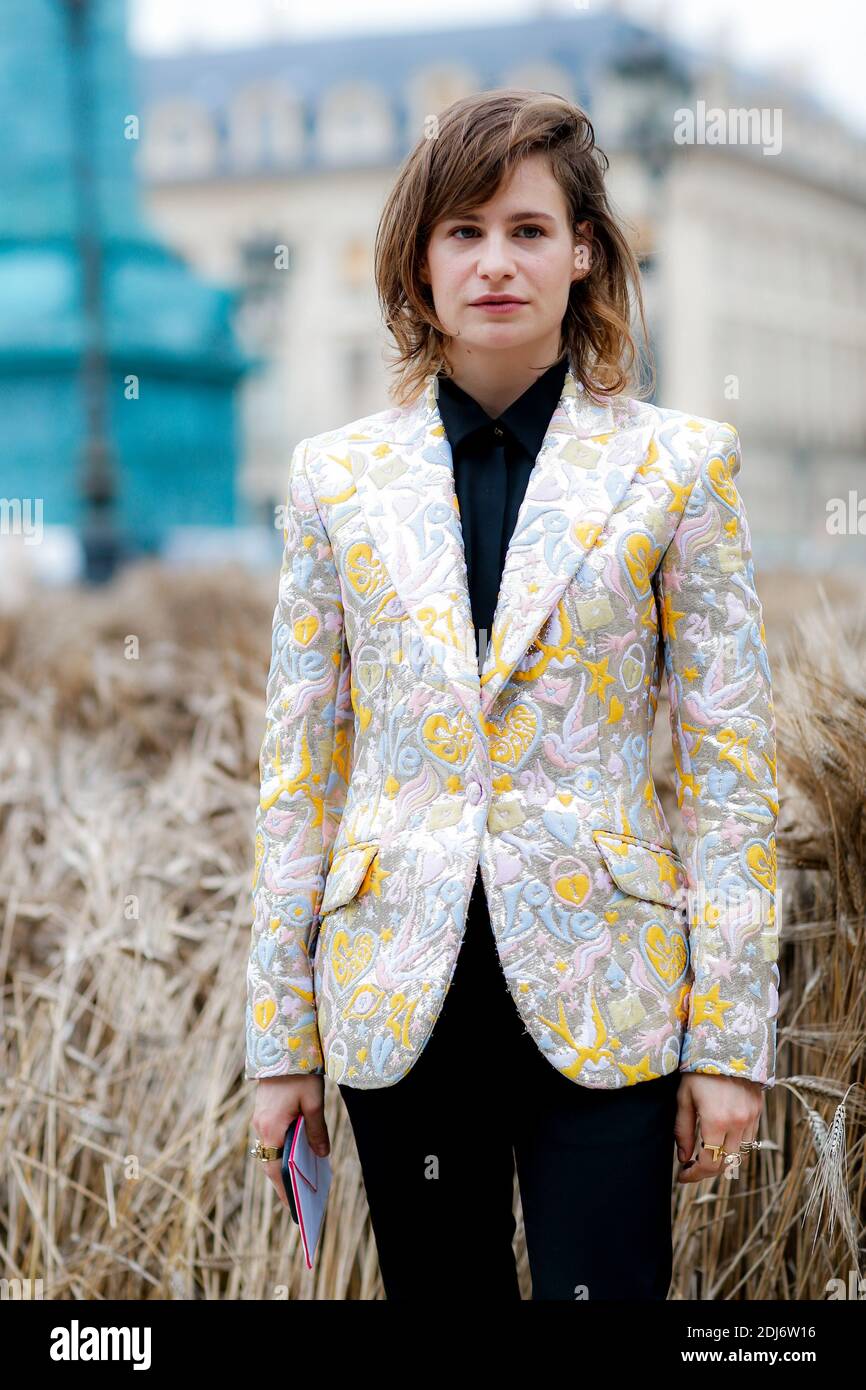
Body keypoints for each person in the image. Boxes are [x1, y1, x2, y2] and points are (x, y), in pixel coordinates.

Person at [246, 90, 780, 1300]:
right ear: (417, 259)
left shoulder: (678, 465)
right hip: (399, 992)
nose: (495, 261)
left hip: (610, 989)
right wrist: (280, 1043)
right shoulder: (334, 479)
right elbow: (299, 772)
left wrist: (729, 1043)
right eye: (462, 231)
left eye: (528, 230)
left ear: (583, 248)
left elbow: (727, 771)